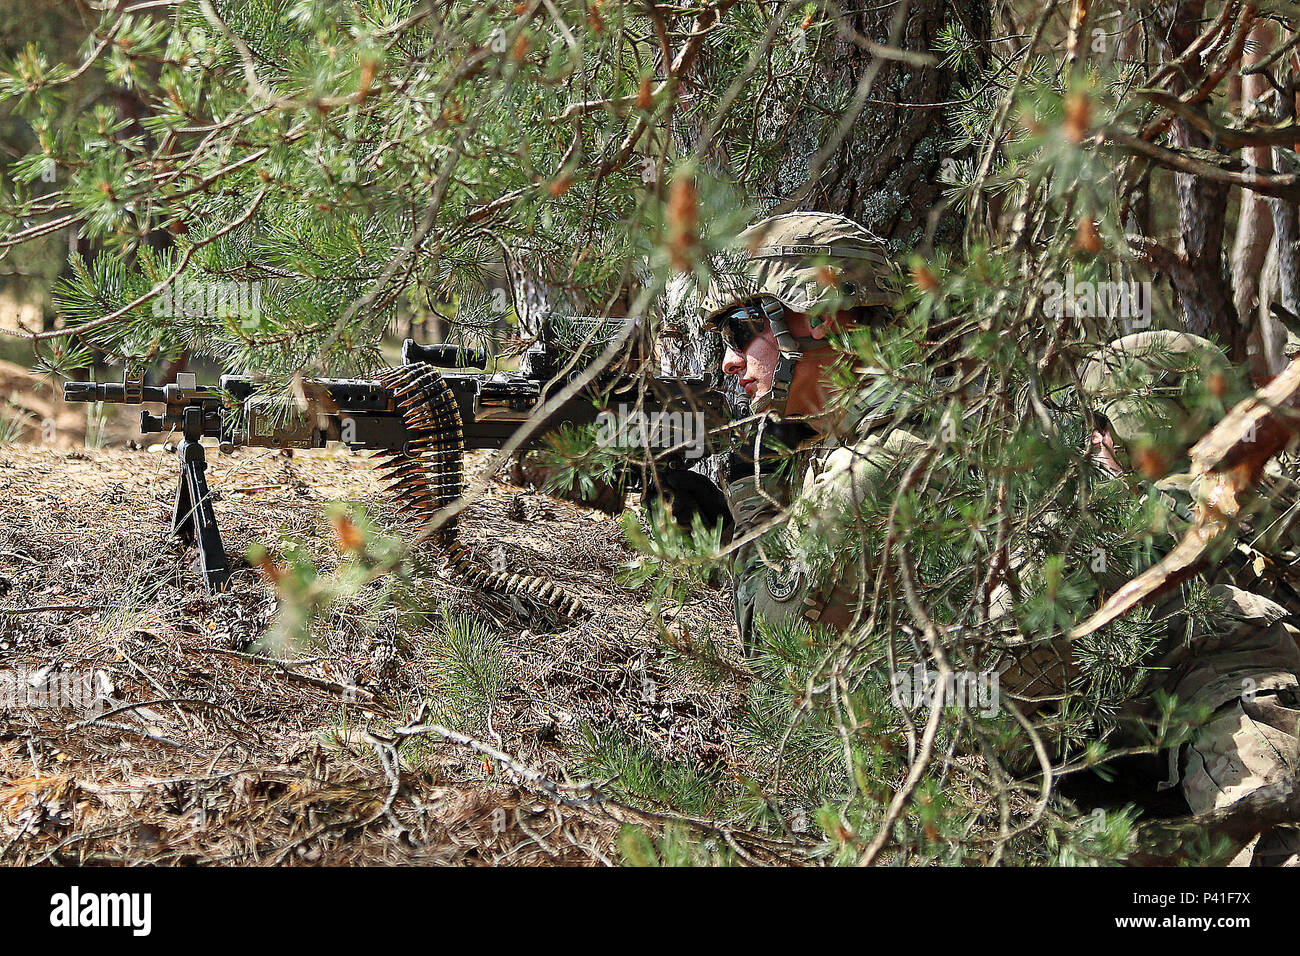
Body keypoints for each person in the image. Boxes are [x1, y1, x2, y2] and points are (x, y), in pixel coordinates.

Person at [1080, 330, 1300, 865]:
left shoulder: (1227, 492)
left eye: (1106, 423)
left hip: (1248, 699)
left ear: (1151, 417)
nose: (1095, 441)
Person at [698, 211, 924, 646]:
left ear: (822, 318)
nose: (729, 361)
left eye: (740, 330)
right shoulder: (906, 423)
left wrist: (751, 502)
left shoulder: (872, 467)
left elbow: (775, 641)